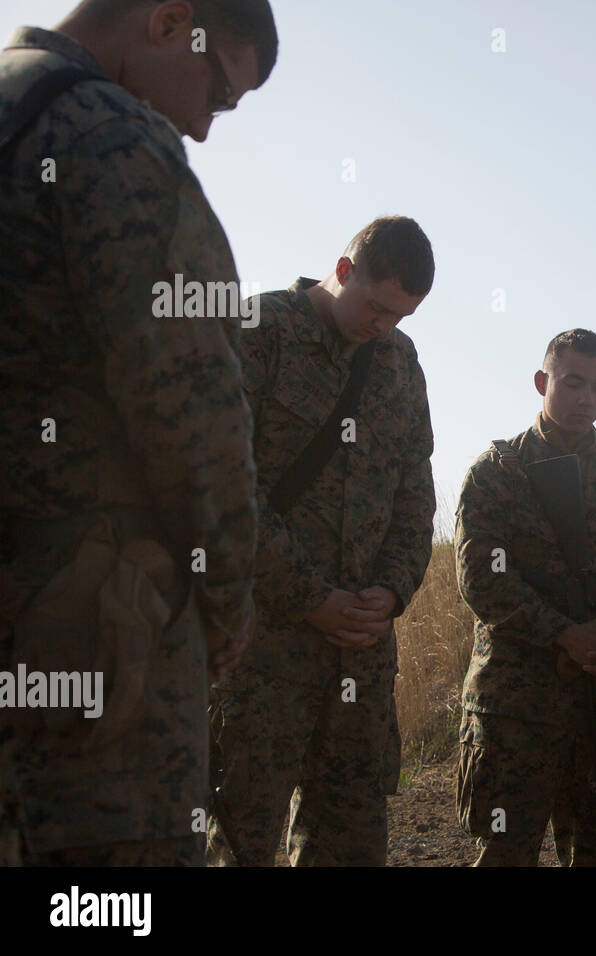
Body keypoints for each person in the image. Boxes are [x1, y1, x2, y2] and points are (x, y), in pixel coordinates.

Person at [0, 0, 277, 867]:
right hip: (91, 644)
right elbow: (196, 414)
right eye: (217, 93)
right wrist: (228, 601)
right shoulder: (108, 138)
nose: (200, 127)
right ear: (168, 22)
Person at [206, 216, 436, 866]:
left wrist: (390, 591)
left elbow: (415, 488)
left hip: (360, 658)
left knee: (351, 841)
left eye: (402, 315)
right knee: (243, 840)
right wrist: (309, 597)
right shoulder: (258, 332)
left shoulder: (399, 360)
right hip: (259, 651)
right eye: (376, 307)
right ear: (342, 272)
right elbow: (224, 488)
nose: (382, 327)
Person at [454, 329, 596, 866]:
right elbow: (481, 578)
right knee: (508, 853)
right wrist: (562, 633)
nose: (588, 399)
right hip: (519, 708)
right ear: (542, 381)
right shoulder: (497, 474)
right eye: (574, 383)